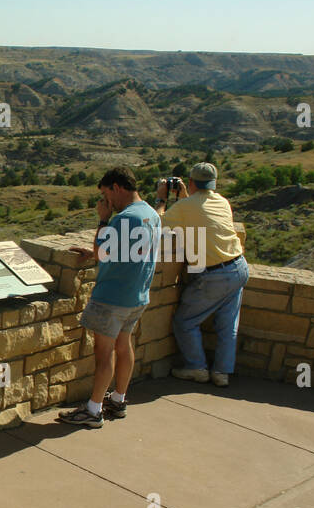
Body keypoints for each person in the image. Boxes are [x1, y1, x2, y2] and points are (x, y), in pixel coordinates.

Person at [61, 166, 161, 428]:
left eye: (107, 194)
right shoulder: (151, 213)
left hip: (112, 296)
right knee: (124, 346)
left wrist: (103, 219)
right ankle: (118, 399)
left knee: (103, 353)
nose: (107, 202)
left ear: (117, 187)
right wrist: (94, 252)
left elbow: (103, 251)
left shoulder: (123, 218)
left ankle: (93, 411)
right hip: (137, 296)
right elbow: (124, 250)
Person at [154, 162, 249, 387]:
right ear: (214, 183)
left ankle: (196, 367)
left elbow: (155, 223)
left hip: (214, 275)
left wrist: (161, 199)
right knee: (227, 325)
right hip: (238, 267)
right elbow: (201, 212)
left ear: (191, 182)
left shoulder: (186, 206)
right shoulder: (223, 202)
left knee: (185, 321)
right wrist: (187, 195)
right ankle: (222, 373)